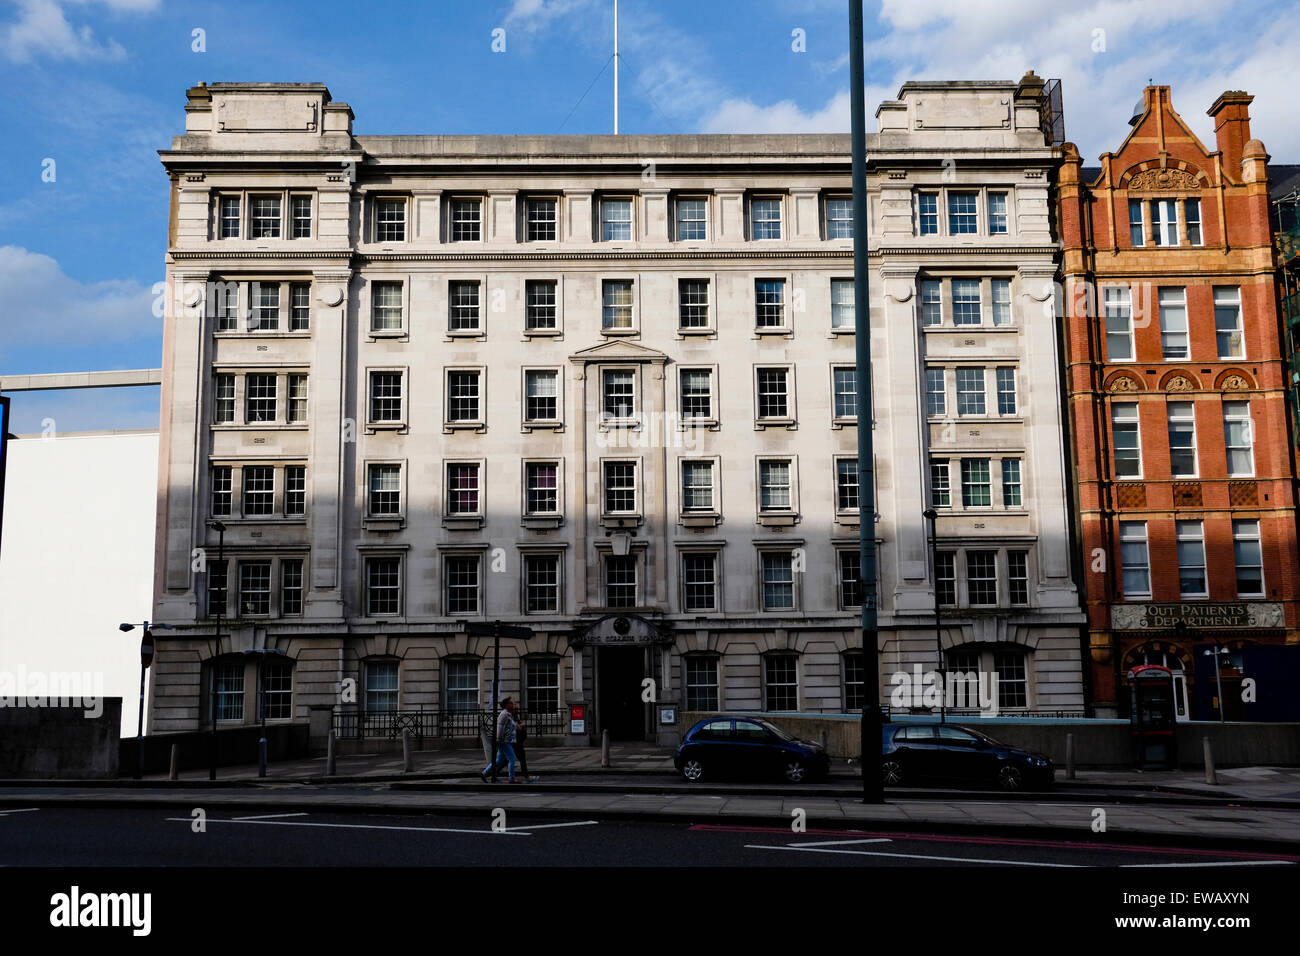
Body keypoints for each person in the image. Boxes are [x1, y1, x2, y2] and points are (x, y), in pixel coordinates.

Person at [481, 697, 519, 783]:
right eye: (510, 703)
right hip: (504, 741)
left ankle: (484, 773)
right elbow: (500, 727)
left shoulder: (508, 714)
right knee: (512, 759)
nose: (512, 704)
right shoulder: (504, 714)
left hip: (506, 740)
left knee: (498, 760)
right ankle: (512, 778)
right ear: (506, 705)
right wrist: (499, 739)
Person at [511, 699, 540, 784]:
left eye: (517, 708)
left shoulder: (516, 716)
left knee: (504, 760)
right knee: (521, 759)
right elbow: (518, 727)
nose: (517, 710)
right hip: (515, 742)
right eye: (515, 708)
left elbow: (520, 725)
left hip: (518, 741)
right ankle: (526, 777)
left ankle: (489, 773)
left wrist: (521, 725)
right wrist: (522, 725)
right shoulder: (511, 716)